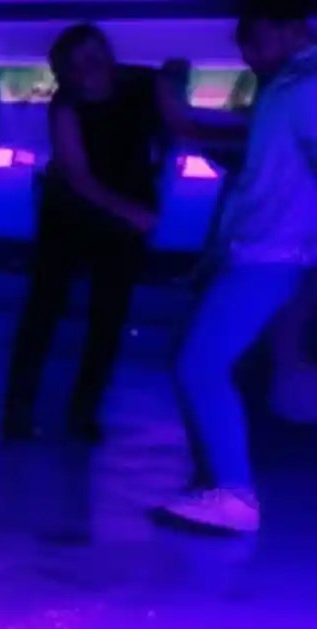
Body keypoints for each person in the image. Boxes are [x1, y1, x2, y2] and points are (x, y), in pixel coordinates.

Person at [159, 0, 316, 532]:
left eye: (253, 36)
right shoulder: (288, 87)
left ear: (292, 28)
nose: (246, 51)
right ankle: (222, 483)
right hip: (263, 251)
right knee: (205, 364)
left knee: (199, 365)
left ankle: (234, 493)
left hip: (270, 253)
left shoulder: (303, 87)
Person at [1, 24, 164, 442]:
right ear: (64, 74)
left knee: (106, 319)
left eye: (93, 57)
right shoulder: (67, 106)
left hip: (118, 217)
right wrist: (131, 211)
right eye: (76, 65)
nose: (88, 69)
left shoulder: (142, 86)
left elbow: (179, 125)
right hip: (70, 214)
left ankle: (82, 413)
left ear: (107, 54)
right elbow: (77, 176)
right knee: (45, 309)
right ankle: (21, 409)